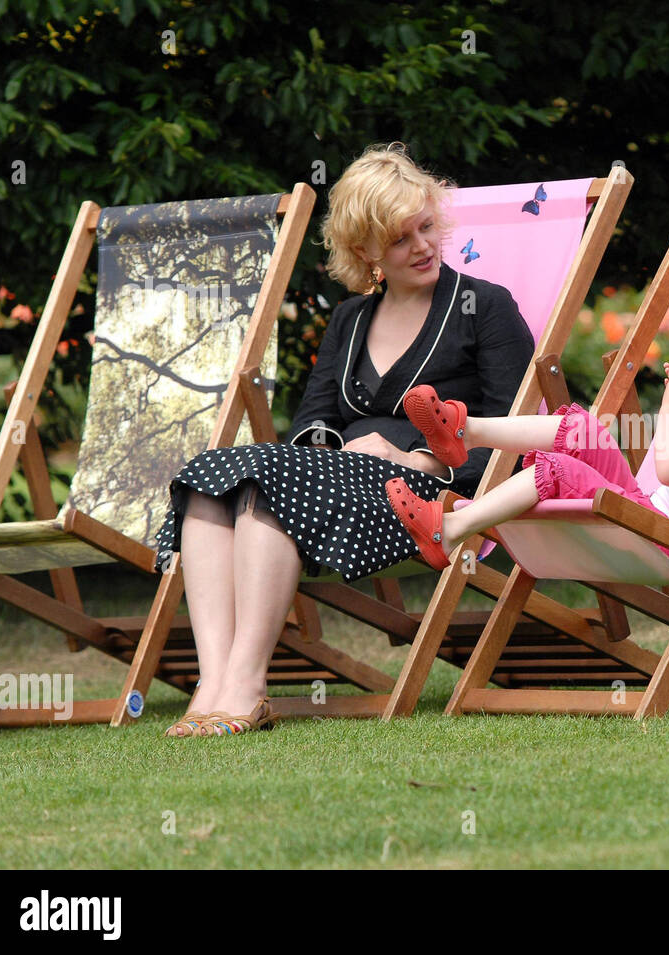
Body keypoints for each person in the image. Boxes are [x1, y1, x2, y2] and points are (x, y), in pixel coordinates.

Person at [155, 143, 533, 736]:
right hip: (335, 484)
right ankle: (213, 688)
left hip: (426, 499)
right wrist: (333, 458)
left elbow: (513, 433)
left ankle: (248, 685)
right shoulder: (351, 319)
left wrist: (413, 457)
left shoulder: (483, 308)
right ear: (366, 251)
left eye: (427, 227)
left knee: (265, 485)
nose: (424, 246)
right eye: (402, 239)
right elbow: (315, 417)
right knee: (211, 476)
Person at [385, 310, 669, 579]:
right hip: (656, 521)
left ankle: (452, 529)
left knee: (559, 470)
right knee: (581, 428)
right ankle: (464, 432)